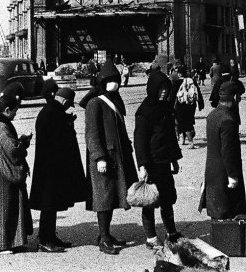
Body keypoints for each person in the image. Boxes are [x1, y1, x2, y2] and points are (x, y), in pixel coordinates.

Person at [84, 59, 137, 255]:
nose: (115, 83)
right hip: (105, 159)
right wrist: (99, 157)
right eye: (111, 80)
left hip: (118, 157)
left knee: (113, 196)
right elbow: (92, 134)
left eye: (116, 79)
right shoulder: (94, 103)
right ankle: (103, 238)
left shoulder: (115, 101)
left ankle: (106, 234)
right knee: (104, 197)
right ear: (103, 82)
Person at [29, 86, 88, 252]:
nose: (69, 107)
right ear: (65, 100)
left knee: (52, 204)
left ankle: (50, 236)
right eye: (69, 104)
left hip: (51, 166)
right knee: (48, 204)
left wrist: (67, 122)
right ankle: (44, 239)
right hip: (51, 168)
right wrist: (67, 125)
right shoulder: (52, 113)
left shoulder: (52, 111)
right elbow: (57, 140)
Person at [134, 69, 183, 248]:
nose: (164, 92)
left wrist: (175, 159)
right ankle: (151, 238)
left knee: (167, 199)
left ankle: (171, 232)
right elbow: (139, 141)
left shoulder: (167, 108)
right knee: (149, 200)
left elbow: (171, 136)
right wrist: (142, 166)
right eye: (160, 88)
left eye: (166, 88)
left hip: (164, 161)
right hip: (151, 163)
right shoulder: (144, 112)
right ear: (153, 88)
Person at [0, 90, 33, 254]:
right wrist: (23, 144)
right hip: (2, 176)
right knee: (4, 210)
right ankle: (3, 245)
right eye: (15, 111)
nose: (15, 114)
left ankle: (0, 243)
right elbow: (12, 150)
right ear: (8, 110)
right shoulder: (2, 128)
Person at [201, 80, 246, 220]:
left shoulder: (213, 115)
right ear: (234, 97)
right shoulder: (228, 120)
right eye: (238, 95)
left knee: (218, 211)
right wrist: (232, 175)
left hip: (212, 170)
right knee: (229, 213)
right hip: (224, 173)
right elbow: (228, 152)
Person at [174, 67, 204, 148]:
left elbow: (172, 95)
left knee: (182, 122)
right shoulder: (192, 81)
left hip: (181, 105)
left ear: (179, 73)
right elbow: (198, 93)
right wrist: (201, 104)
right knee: (189, 121)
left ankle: (190, 142)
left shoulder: (176, 82)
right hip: (191, 105)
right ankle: (184, 139)